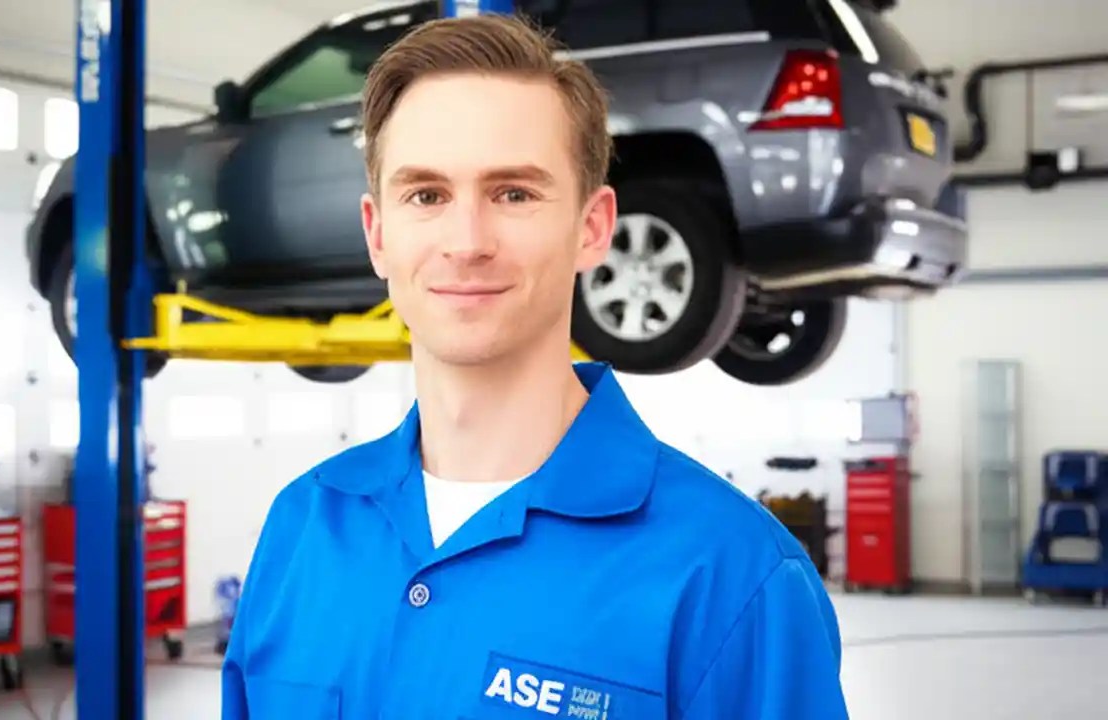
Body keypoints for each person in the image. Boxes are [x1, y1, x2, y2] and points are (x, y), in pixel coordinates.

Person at [221, 12, 849, 720]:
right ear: (377, 233)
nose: (466, 241)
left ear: (593, 228)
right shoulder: (303, 528)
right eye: (426, 195)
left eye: (513, 193)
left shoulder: (734, 575)